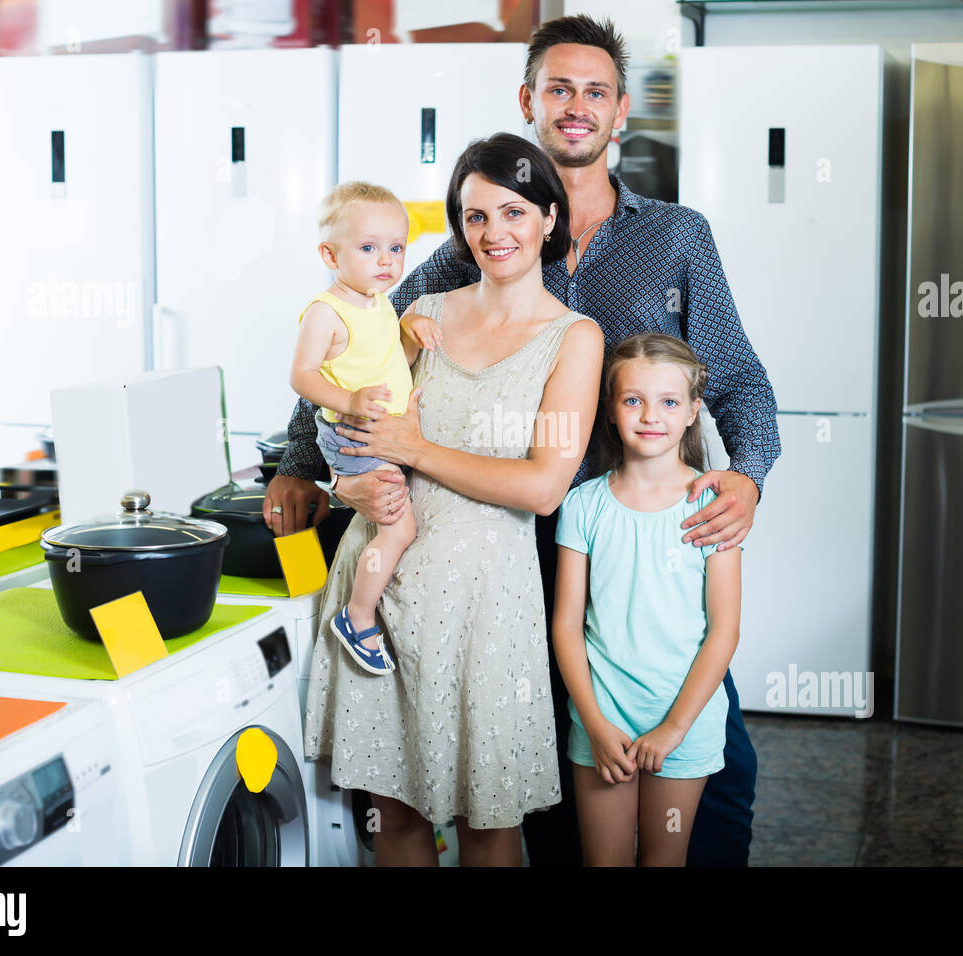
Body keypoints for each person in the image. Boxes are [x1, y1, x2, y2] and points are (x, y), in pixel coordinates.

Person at [269, 14, 779, 866]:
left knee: (709, 786)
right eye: (558, 89)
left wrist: (749, 476)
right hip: (506, 553)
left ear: (622, 114)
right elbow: (360, 347)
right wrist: (300, 460)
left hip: (628, 543)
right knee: (531, 782)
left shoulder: (676, 238)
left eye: (596, 91)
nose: (576, 106)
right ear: (528, 102)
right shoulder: (453, 265)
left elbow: (739, 382)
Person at [301, 133, 605, 865]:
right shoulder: (419, 313)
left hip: (485, 606)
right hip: (380, 597)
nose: (495, 233)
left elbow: (543, 485)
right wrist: (344, 484)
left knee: (488, 819)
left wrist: (417, 451)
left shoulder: (574, 339)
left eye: (513, 212)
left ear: (548, 219)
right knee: (395, 811)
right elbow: (348, 424)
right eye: (474, 217)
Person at [554, 334, 742, 866]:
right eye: (632, 400)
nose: (649, 415)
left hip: (684, 723)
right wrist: (593, 722)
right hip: (603, 721)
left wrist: (674, 729)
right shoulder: (583, 505)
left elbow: (723, 630)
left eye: (668, 402)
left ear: (692, 413)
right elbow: (567, 625)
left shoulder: (712, 507)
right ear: (610, 412)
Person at [288, 182, 441, 675]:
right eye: (369, 248)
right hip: (351, 436)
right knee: (400, 528)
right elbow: (303, 376)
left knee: (397, 524)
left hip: (380, 430)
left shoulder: (378, 301)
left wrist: (408, 333)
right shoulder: (325, 312)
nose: (386, 261)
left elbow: (382, 356)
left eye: (396, 248)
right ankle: (357, 616)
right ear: (330, 254)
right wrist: (350, 401)